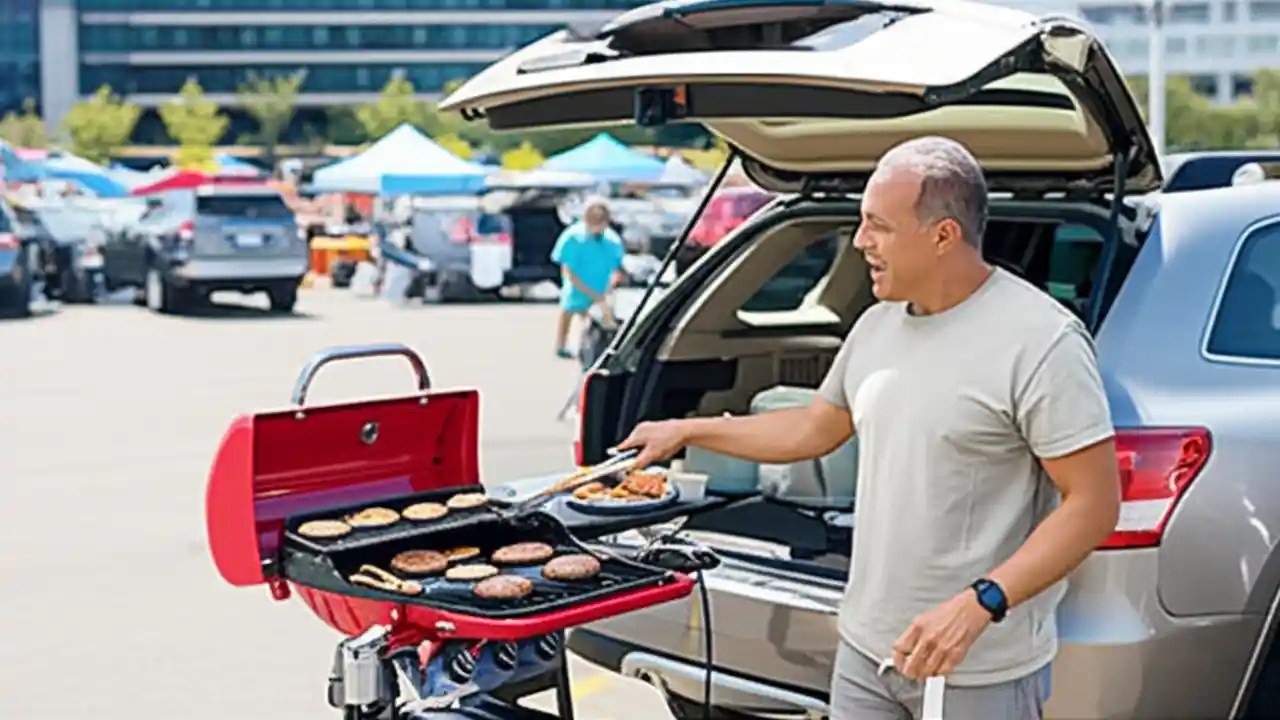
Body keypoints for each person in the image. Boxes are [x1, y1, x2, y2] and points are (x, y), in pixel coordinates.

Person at [616, 136, 1121, 719]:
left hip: (975, 664)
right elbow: (812, 430)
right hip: (866, 650)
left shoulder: (1041, 341)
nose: (860, 242)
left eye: (878, 225)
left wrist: (982, 602)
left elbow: (1093, 504)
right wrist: (686, 431)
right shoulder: (877, 325)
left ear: (942, 236)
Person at [550, 198, 624, 359]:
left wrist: (607, 290)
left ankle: (595, 349)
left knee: (599, 322)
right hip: (577, 287)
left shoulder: (612, 240)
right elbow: (567, 269)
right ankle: (561, 345)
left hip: (602, 288)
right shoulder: (573, 237)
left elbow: (616, 269)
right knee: (568, 313)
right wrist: (588, 291)